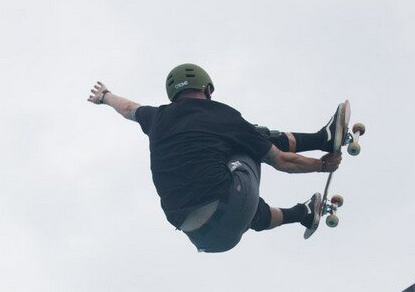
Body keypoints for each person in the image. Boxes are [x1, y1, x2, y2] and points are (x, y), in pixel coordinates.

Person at [87, 64, 348, 252]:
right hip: (231, 207)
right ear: (208, 88)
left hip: (204, 239)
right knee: (251, 137)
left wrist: (105, 97)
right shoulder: (222, 116)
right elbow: (281, 161)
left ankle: (302, 213)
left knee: (218, 183)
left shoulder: (156, 117)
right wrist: (322, 164)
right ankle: (321, 139)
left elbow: (129, 109)